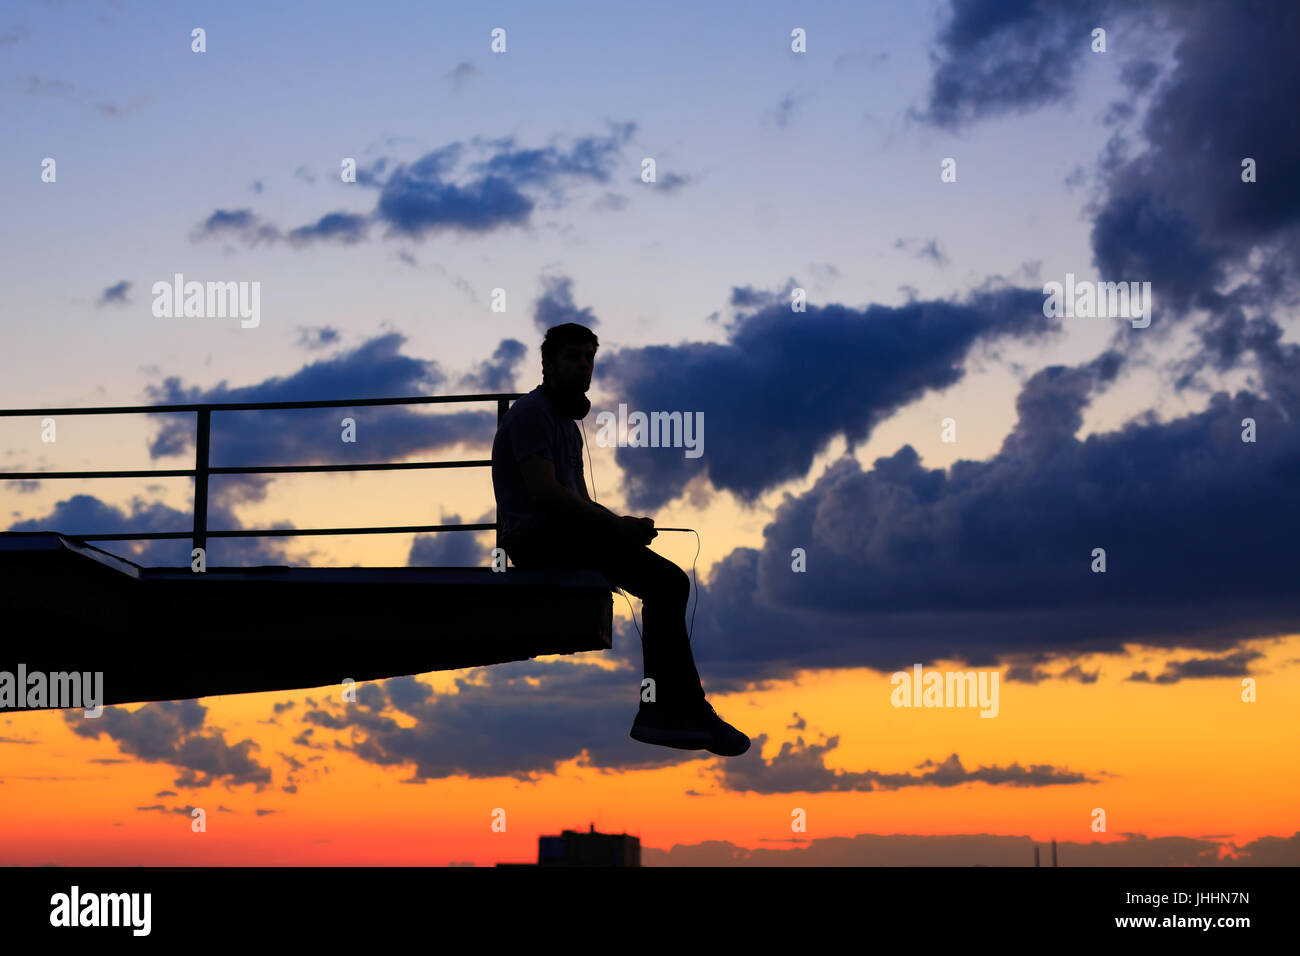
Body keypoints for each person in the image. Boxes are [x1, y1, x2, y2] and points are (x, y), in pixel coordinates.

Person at [491, 322, 750, 757]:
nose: (583, 366)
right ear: (548, 364)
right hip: (537, 542)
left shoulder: (566, 428)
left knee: (668, 583)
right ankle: (671, 710)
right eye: (572, 357)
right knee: (668, 584)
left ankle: (674, 708)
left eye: (588, 358)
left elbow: (577, 503)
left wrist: (622, 530)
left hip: (561, 537)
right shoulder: (532, 415)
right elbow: (546, 495)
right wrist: (616, 529)